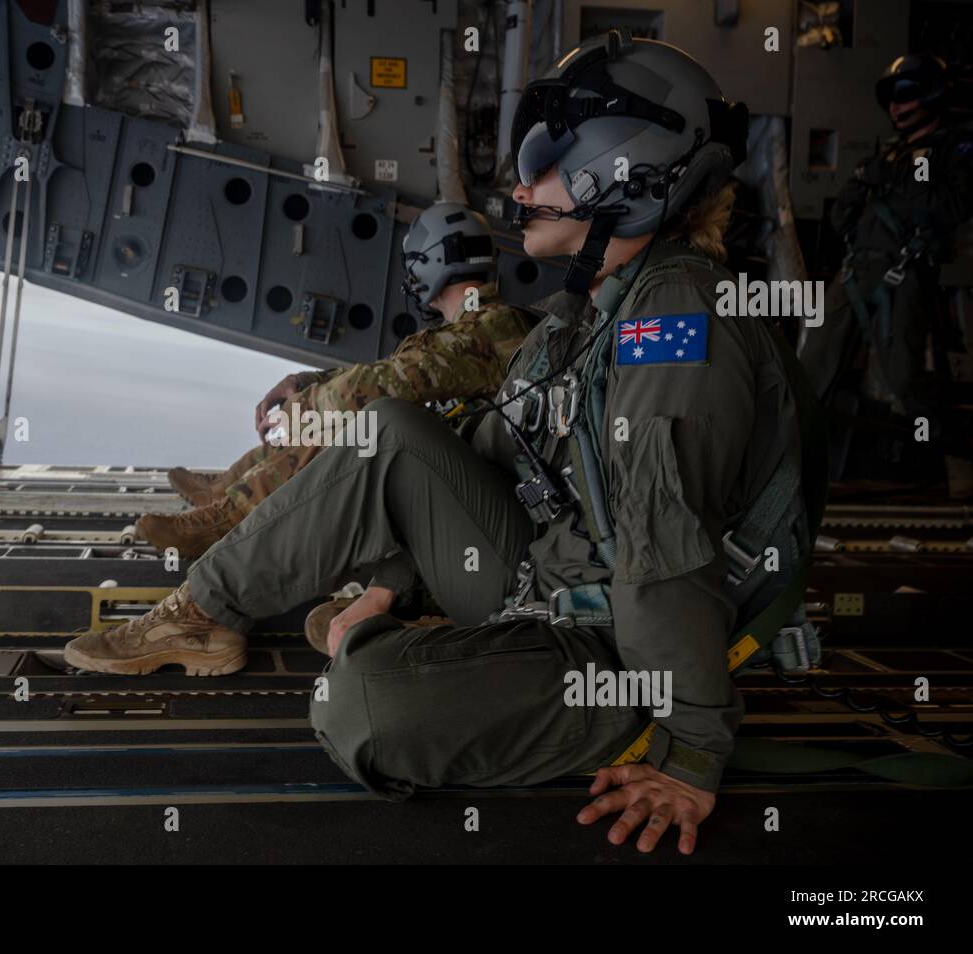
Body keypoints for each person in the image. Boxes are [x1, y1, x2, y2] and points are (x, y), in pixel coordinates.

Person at [65, 32, 825, 855]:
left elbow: (662, 547)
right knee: (392, 430)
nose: (521, 185)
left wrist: (692, 752)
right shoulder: (585, 316)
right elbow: (485, 447)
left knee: (359, 708)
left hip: (623, 653)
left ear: (622, 173)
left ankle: (415, 655)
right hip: (552, 576)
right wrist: (395, 584)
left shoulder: (672, 318)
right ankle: (204, 613)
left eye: (545, 161)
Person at [137, 202, 537, 558]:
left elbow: (387, 384)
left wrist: (305, 408)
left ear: (432, 263)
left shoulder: (489, 330)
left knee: (357, 423)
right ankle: (225, 492)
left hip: (463, 498)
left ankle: (224, 519)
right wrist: (308, 380)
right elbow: (398, 374)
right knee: (348, 414)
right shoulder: (475, 328)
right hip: (450, 480)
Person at [798, 53, 973, 489]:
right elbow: (841, 219)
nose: (896, 107)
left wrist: (904, 176)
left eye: (905, 96)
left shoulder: (954, 150)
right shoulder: (890, 153)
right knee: (812, 364)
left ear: (931, 94)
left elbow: (953, 208)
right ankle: (787, 472)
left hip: (905, 273)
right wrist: (862, 183)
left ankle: (947, 474)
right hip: (856, 270)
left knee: (905, 379)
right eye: (891, 99)